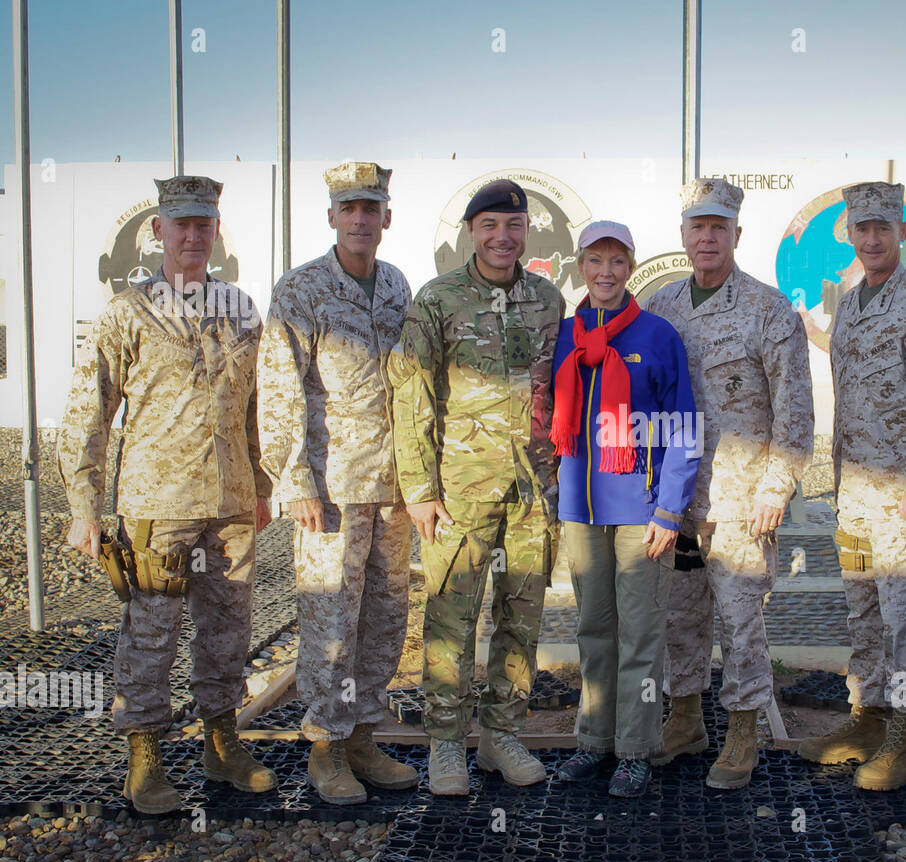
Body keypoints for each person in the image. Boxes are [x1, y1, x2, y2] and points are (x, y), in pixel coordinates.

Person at [59, 175, 276, 813]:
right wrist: (83, 506)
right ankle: (145, 757)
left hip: (231, 503)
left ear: (215, 232)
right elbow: (88, 413)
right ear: (157, 231)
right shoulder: (128, 314)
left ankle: (221, 743)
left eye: (202, 224)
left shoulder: (240, 309)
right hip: (157, 505)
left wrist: (262, 484)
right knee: (151, 634)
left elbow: (257, 407)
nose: (191, 235)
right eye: (179, 224)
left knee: (228, 632)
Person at [389, 179, 565, 795]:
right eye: (489, 225)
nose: (501, 237)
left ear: (525, 232)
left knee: (522, 619)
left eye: (512, 226)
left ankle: (501, 735)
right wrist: (419, 487)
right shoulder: (437, 300)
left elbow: (560, 393)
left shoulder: (548, 299)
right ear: (471, 232)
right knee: (450, 619)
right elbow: (412, 394)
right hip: (459, 490)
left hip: (532, 492)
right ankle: (445, 744)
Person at [798, 182, 906, 790]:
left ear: (900, 232)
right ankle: (868, 719)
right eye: (861, 228)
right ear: (849, 232)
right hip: (855, 498)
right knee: (865, 616)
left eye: (883, 227)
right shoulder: (850, 303)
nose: (872, 239)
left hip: (905, 496)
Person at [646, 178, 814, 790]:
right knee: (678, 617)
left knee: (741, 620)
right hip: (675, 500)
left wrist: (777, 488)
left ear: (737, 234)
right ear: (684, 236)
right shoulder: (662, 306)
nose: (708, 237)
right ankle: (684, 718)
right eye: (698, 227)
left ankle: (742, 728)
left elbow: (795, 409)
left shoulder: (768, 309)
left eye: (719, 227)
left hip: (742, 499)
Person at [258, 161, 417, 805]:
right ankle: (325, 744)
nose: (359, 218)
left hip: (393, 485)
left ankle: (361, 734)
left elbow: (410, 382)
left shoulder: (397, 285)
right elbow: (279, 383)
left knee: (384, 615)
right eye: (348, 208)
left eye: (370, 207)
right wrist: (291, 474)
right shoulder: (301, 289)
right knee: (329, 616)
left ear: (386, 217)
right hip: (328, 488)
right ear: (331, 217)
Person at [549, 221, 699, 797]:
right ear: (580, 267)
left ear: (630, 266)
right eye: (595, 260)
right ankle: (594, 740)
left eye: (616, 260)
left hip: (642, 513)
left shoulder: (657, 337)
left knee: (640, 636)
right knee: (593, 631)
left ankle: (636, 748)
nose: (605, 272)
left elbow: (682, 426)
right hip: (581, 510)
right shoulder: (563, 336)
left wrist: (669, 510)